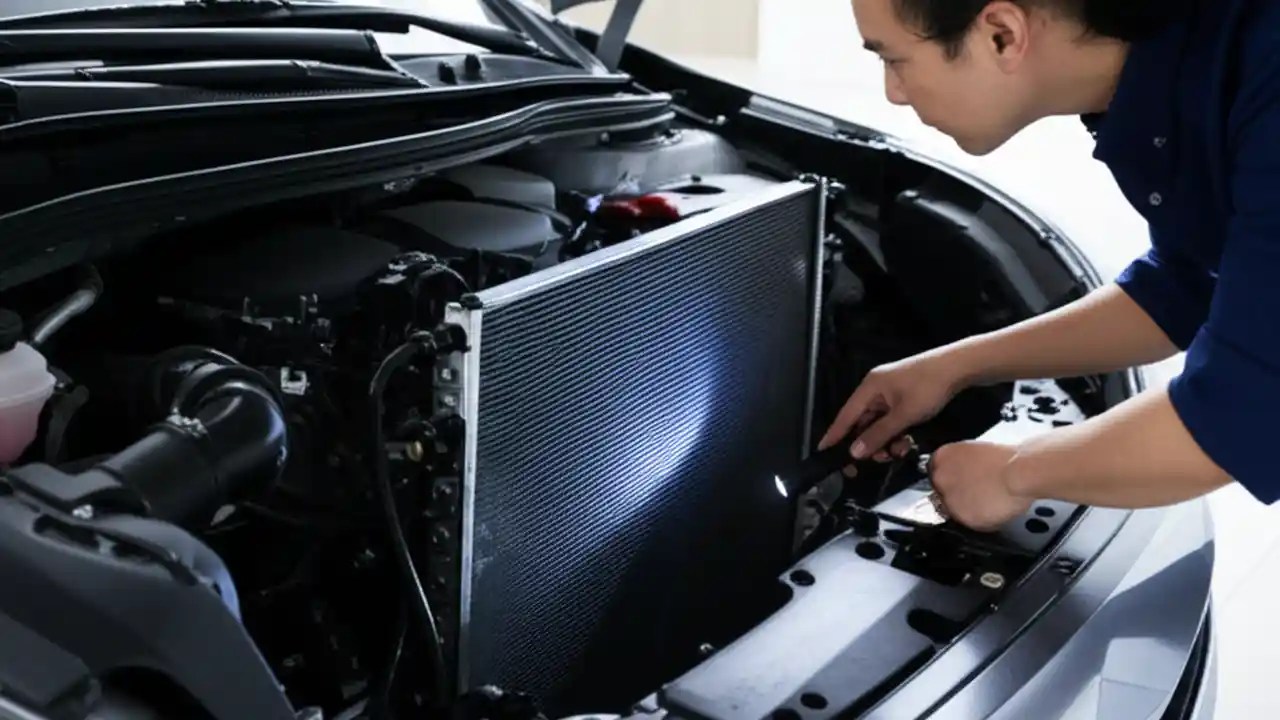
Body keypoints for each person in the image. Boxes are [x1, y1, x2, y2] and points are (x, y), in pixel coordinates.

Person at [820, 0, 1280, 531]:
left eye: (893, 60)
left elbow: (1247, 410)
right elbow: (1187, 285)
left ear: (1001, 34)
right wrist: (951, 368)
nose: (893, 93)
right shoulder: (1188, 56)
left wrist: (1013, 474)